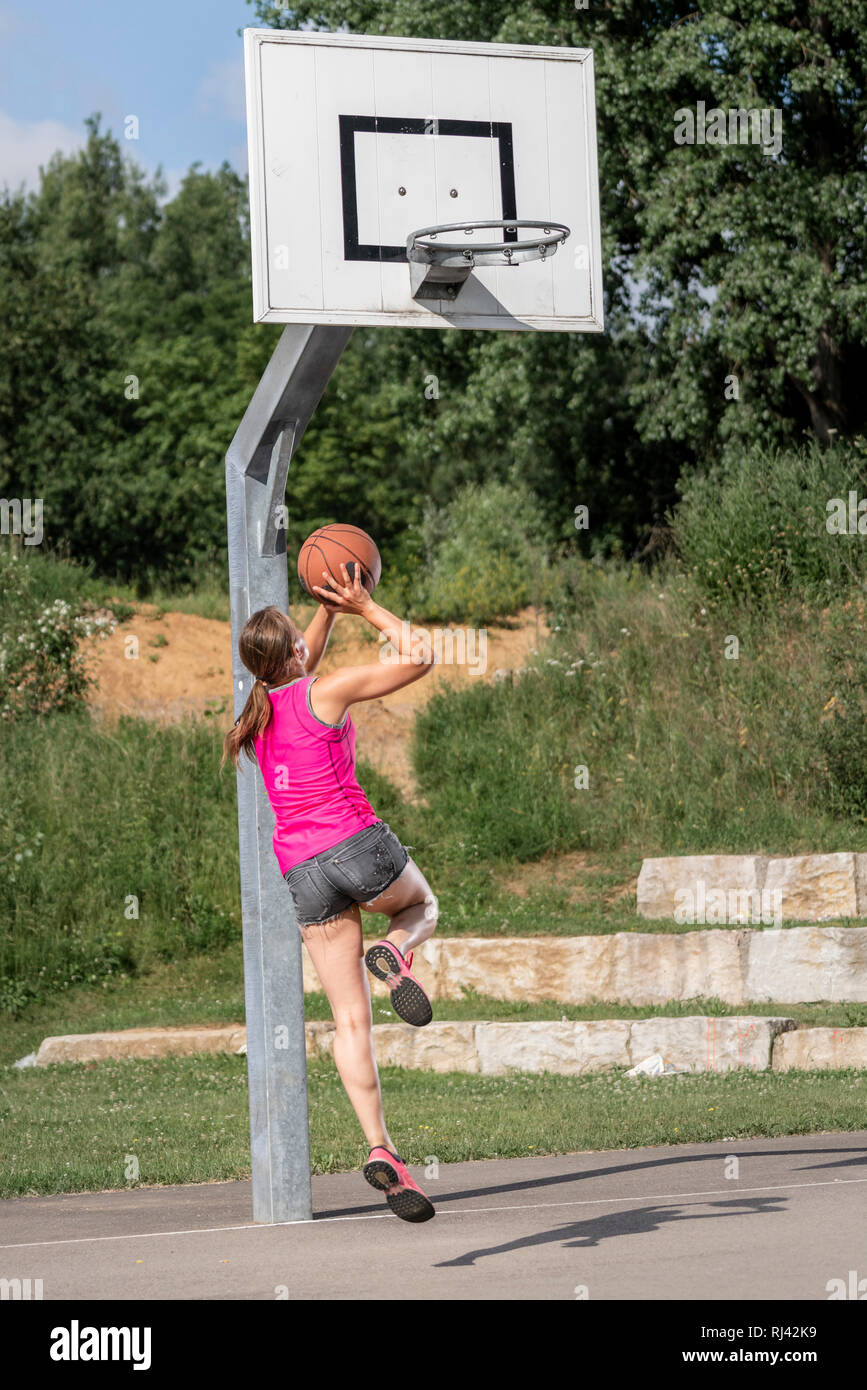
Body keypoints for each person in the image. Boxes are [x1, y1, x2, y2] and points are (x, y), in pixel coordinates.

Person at [222, 562, 439, 1222]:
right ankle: (397, 953)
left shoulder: (253, 715)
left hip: (303, 871)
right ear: (294, 653)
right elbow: (421, 657)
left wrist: (324, 613)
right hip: (356, 846)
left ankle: (381, 1148)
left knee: (351, 1022)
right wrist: (364, 605)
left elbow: (289, 663)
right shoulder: (330, 690)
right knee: (421, 905)